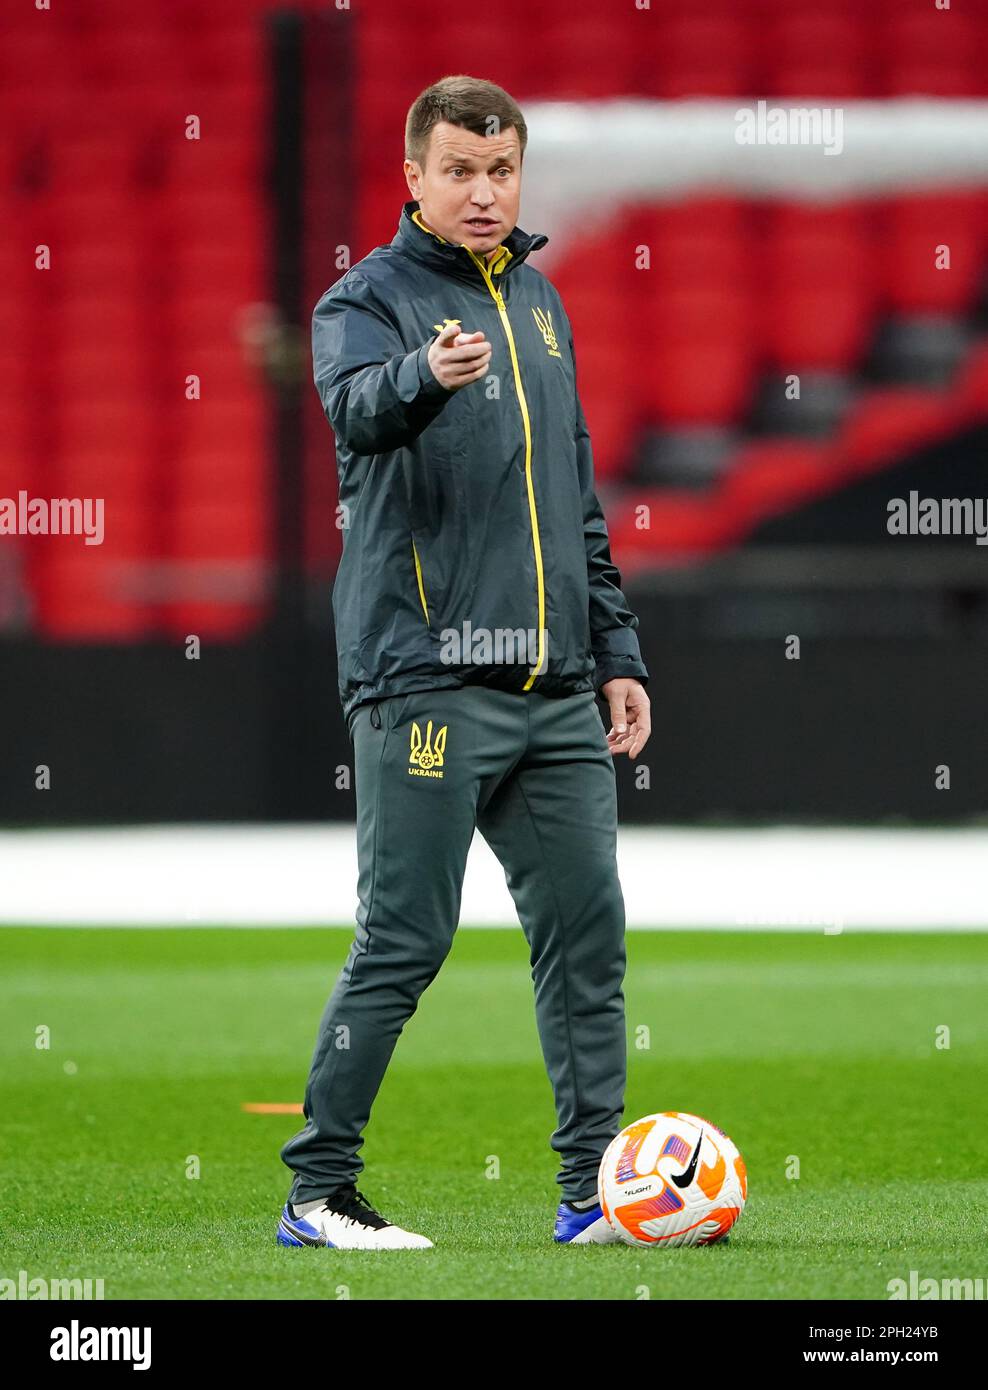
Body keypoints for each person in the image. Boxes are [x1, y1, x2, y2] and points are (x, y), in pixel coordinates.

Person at [277, 74, 650, 1250]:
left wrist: (616, 653)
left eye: (500, 171)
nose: (483, 191)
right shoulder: (366, 300)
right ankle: (319, 1192)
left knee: (587, 937)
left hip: (550, 689)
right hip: (426, 678)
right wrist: (419, 381)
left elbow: (574, 501)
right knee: (404, 940)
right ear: (414, 178)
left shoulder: (542, 304)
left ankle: (594, 1193)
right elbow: (351, 411)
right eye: (459, 170)